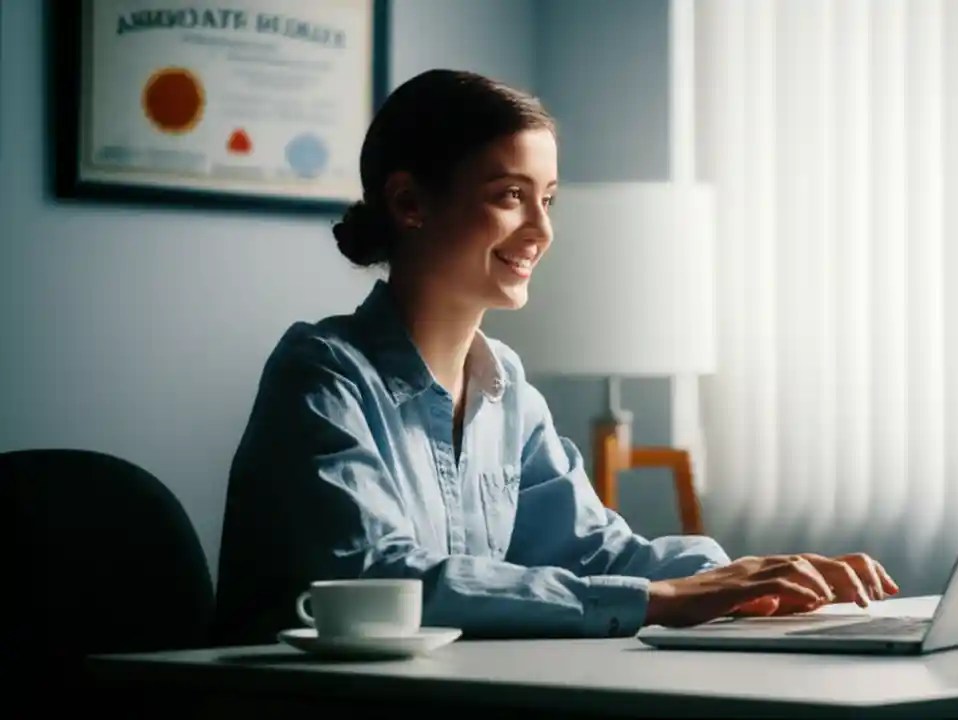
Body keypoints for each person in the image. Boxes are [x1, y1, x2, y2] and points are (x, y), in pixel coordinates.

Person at [212, 68, 898, 646]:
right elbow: (384, 581)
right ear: (409, 202)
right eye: (511, 196)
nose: (542, 230)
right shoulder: (322, 374)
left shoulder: (506, 388)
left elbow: (599, 552)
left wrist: (749, 577)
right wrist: (658, 599)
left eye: (547, 199)